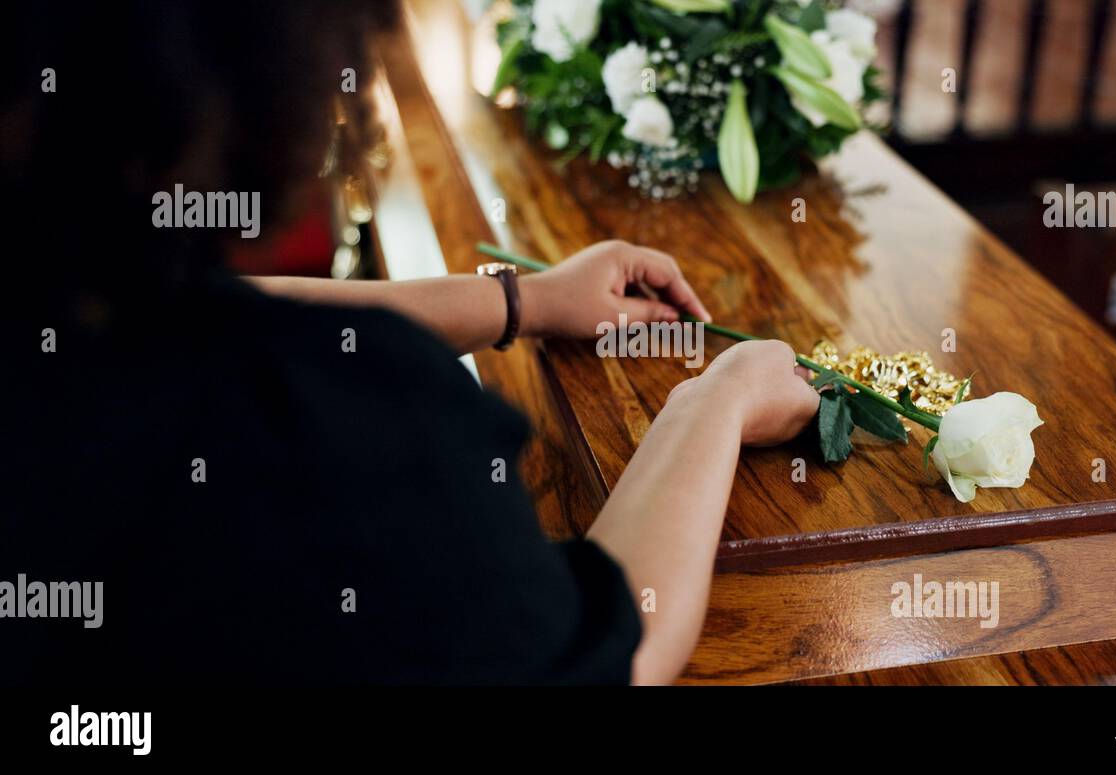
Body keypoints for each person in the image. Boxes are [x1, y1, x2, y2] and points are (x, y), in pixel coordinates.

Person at [1, 1, 819, 685]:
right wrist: (714, 400)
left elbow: (215, 305)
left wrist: (519, 299)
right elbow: (611, 652)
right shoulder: (329, 440)